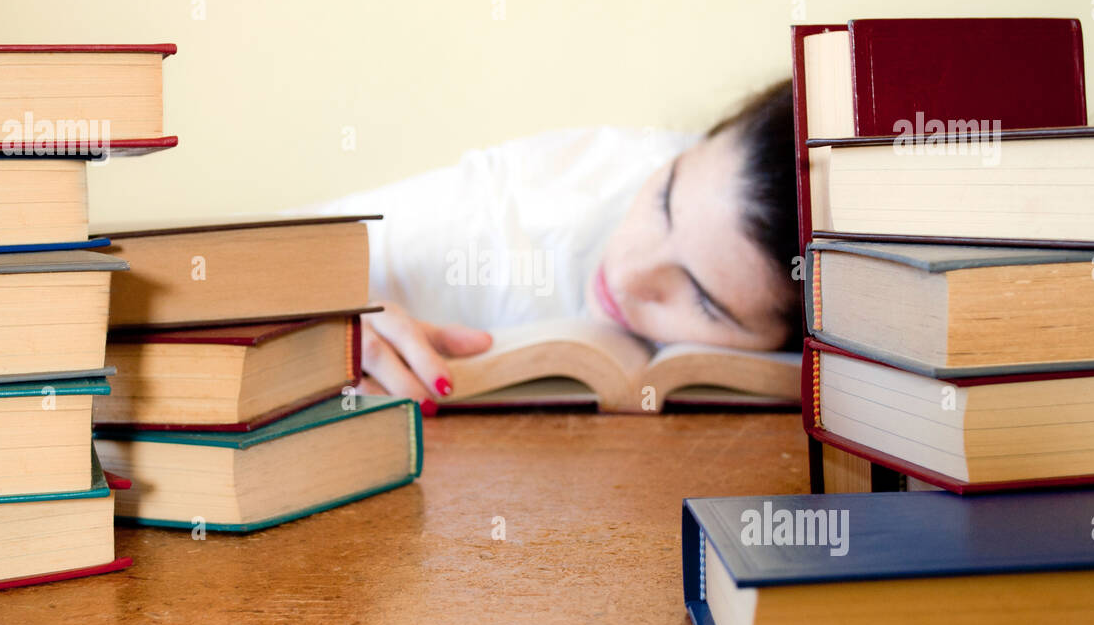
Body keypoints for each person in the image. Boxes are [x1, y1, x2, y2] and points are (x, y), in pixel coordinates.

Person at [311, 79, 801, 410]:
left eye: (702, 299)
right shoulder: (509, 205)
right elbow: (246, 267)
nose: (626, 274)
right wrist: (308, 320)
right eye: (663, 201)